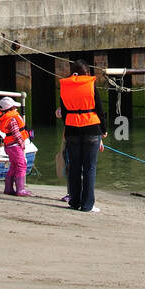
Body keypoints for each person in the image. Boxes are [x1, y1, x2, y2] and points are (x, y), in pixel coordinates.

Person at [57, 59, 105, 212]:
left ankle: (74, 201)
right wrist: (103, 129)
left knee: (74, 168)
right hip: (91, 128)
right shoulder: (90, 85)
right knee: (89, 168)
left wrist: (69, 125)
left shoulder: (65, 86)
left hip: (72, 129)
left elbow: (64, 112)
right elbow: (100, 109)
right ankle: (87, 205)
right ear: (87, 73)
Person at [0, 97, 33, 196]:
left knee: (14, 166)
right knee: (21, 165)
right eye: (14, 107)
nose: (16, 108)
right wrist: (22, 143)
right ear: (11, 108)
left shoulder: (5, 117)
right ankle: (20, 189)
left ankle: (8, 188)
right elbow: (16, 133)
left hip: (9, 145)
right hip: (15, 145)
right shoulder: (12, 118)